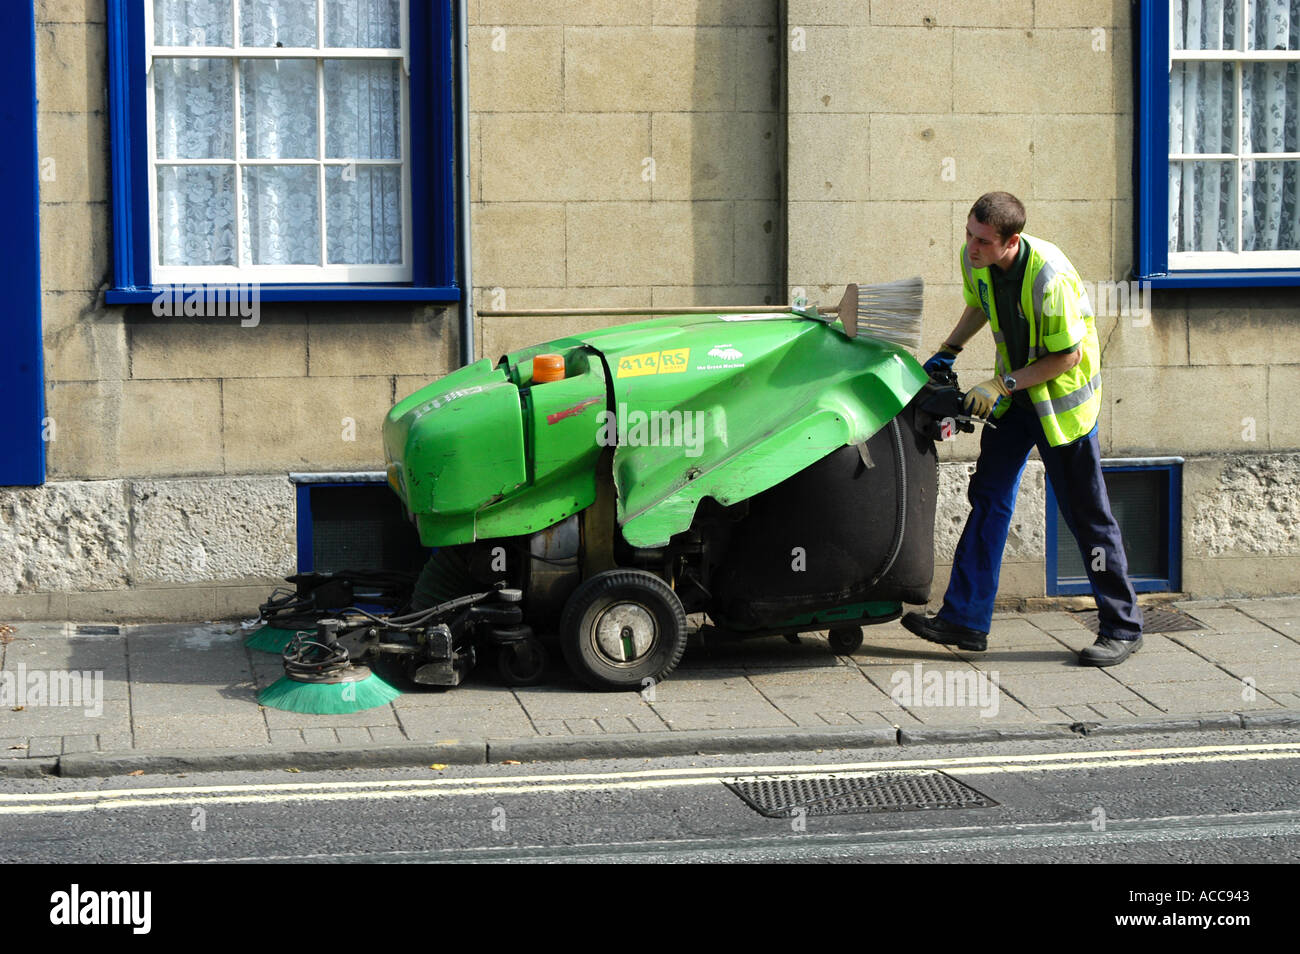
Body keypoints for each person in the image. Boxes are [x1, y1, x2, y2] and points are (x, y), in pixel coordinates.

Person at [902, 191, 1144, 666]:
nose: (971, 248)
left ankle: (1122, 627)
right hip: (1012, 400)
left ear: (1010, 242)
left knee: (1086, 515)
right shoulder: (976, 257)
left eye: (983, 241)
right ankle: (965, 621)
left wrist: (1002, 383)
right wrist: (950, 348)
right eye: (968, 234)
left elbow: (1066, 357)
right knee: (989, 499)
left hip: (1060, 406)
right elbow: (980, 303)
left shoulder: (1049, 279)